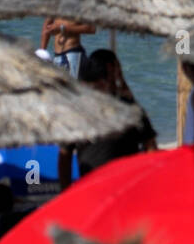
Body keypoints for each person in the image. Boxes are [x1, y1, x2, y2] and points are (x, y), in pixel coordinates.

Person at [58, 49, 157, 189]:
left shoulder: (129, 108)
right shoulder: (80, 111)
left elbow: (150, 144)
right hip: (95, 189)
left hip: (123, 188)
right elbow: (65, 154)